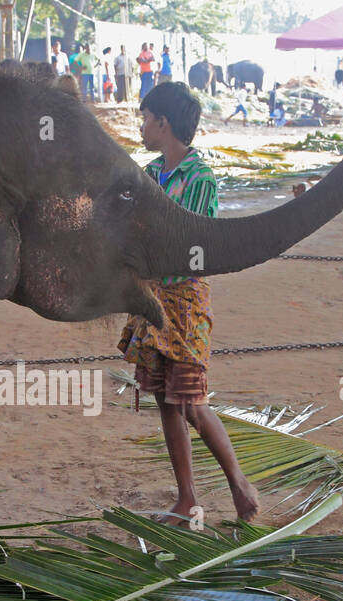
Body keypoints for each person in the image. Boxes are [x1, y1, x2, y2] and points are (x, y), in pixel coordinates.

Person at [118, 82, 261, 526]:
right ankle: (187, 498)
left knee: (190, 400)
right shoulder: (150, 173)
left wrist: (147, 254)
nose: (141, 127)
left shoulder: (199, 179)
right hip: (153, 298)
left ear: (164, 123)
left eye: (145, 119)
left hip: (182, 302)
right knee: (165, 399)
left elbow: (194, 246)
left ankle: (239, 483)